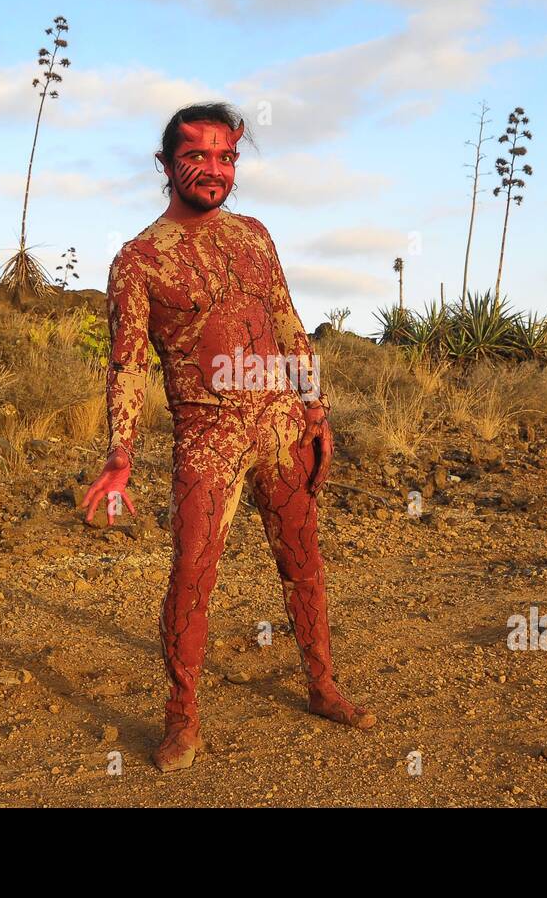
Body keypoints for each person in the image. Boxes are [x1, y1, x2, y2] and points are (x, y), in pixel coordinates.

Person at [81, 102, 375, 772]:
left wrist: (316, 410)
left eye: (226, 158)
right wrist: (120, 454)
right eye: (198, 156)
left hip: (280, 425)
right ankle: (181, 719)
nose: (215, 170)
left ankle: (324, 686)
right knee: (190, 575)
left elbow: (288, 320)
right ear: (165, 165)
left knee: (303, 563)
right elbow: (127, 362)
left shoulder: (255, 236)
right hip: (207, 437)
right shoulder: (139, 261)